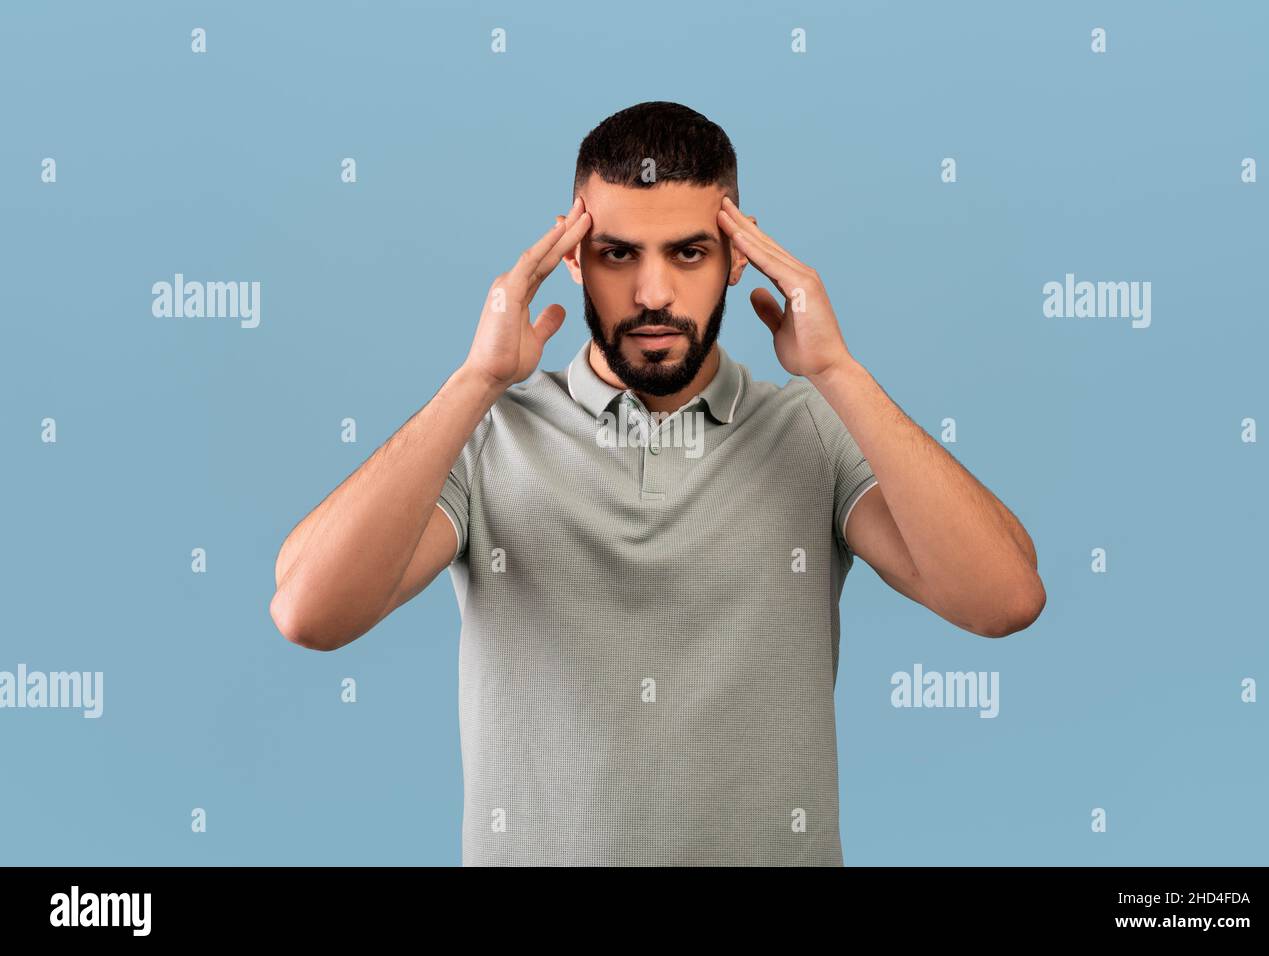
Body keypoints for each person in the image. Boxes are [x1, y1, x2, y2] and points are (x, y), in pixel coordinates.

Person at [270, 101, 1046, 866]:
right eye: (617, 255)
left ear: (738, 257)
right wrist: (475, 382)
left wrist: (838, 373)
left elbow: (1003, 600)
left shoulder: (812, 431)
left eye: (687, 253)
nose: (651, 295)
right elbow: (309, 611)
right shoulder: (487, 436)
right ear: (570, 257)